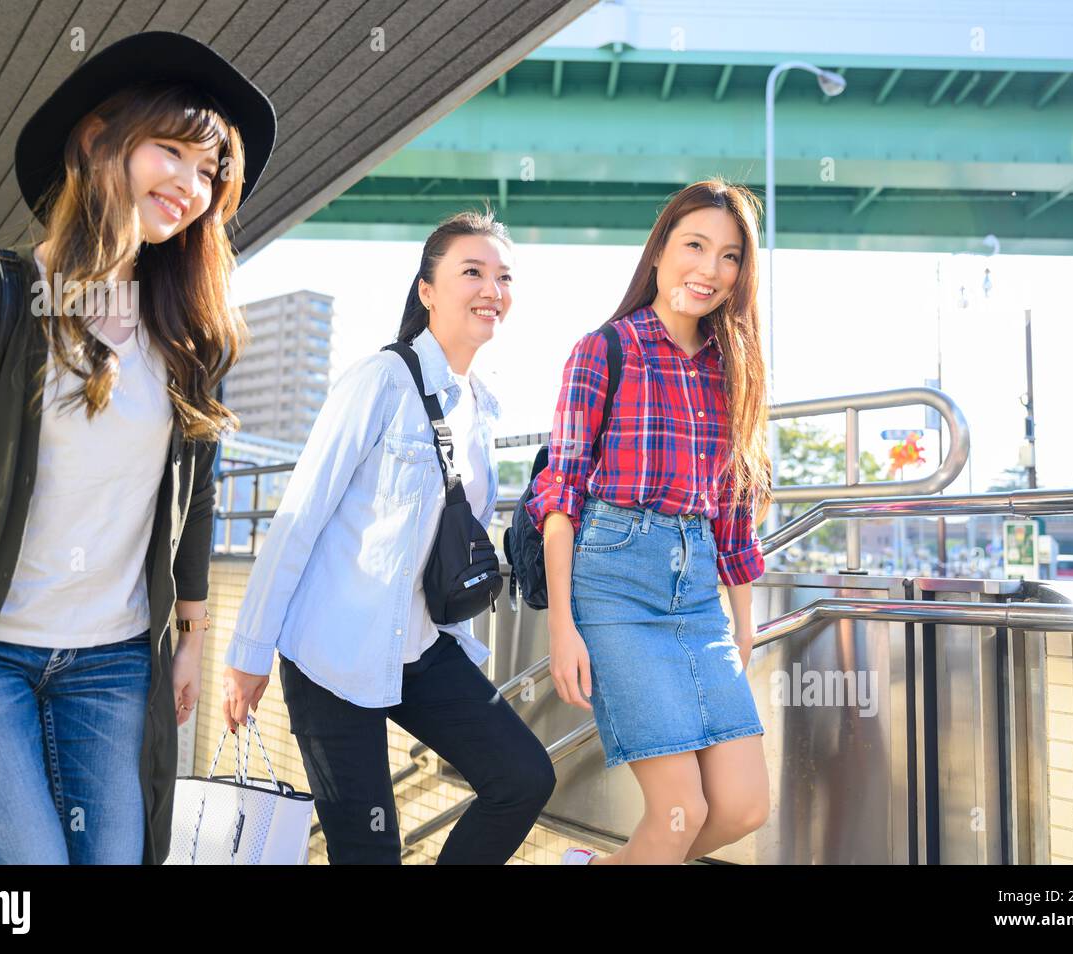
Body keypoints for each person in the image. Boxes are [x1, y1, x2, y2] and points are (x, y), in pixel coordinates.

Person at [0, 31, 276, 864]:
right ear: (99, 141)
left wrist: (193, 637)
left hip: (115, 664)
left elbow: (194, 495)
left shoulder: (193, 341)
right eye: (171, 151)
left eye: (210, 173)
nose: (191, 186)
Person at [222, 209, 556, 864]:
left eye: (503, 276)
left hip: (424, 649)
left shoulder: (481, 406)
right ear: (427, 290)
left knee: (522, 777)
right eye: (473, 272)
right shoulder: (380, 381)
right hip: (333, 653)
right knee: (371, 850)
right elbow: (300, 515)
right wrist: (249, 651)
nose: (493, 288)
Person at [527, 179, 774, 865]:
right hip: (614, 584)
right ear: (661, 250)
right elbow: (561, 492)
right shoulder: (605, 350)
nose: (710, 269)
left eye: (729, 256)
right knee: (678, 812)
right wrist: (562, 627)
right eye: (695, 246)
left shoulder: (735, 372)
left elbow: (733, 509)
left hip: (699, 601)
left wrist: (744, 622)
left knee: (744, 805)